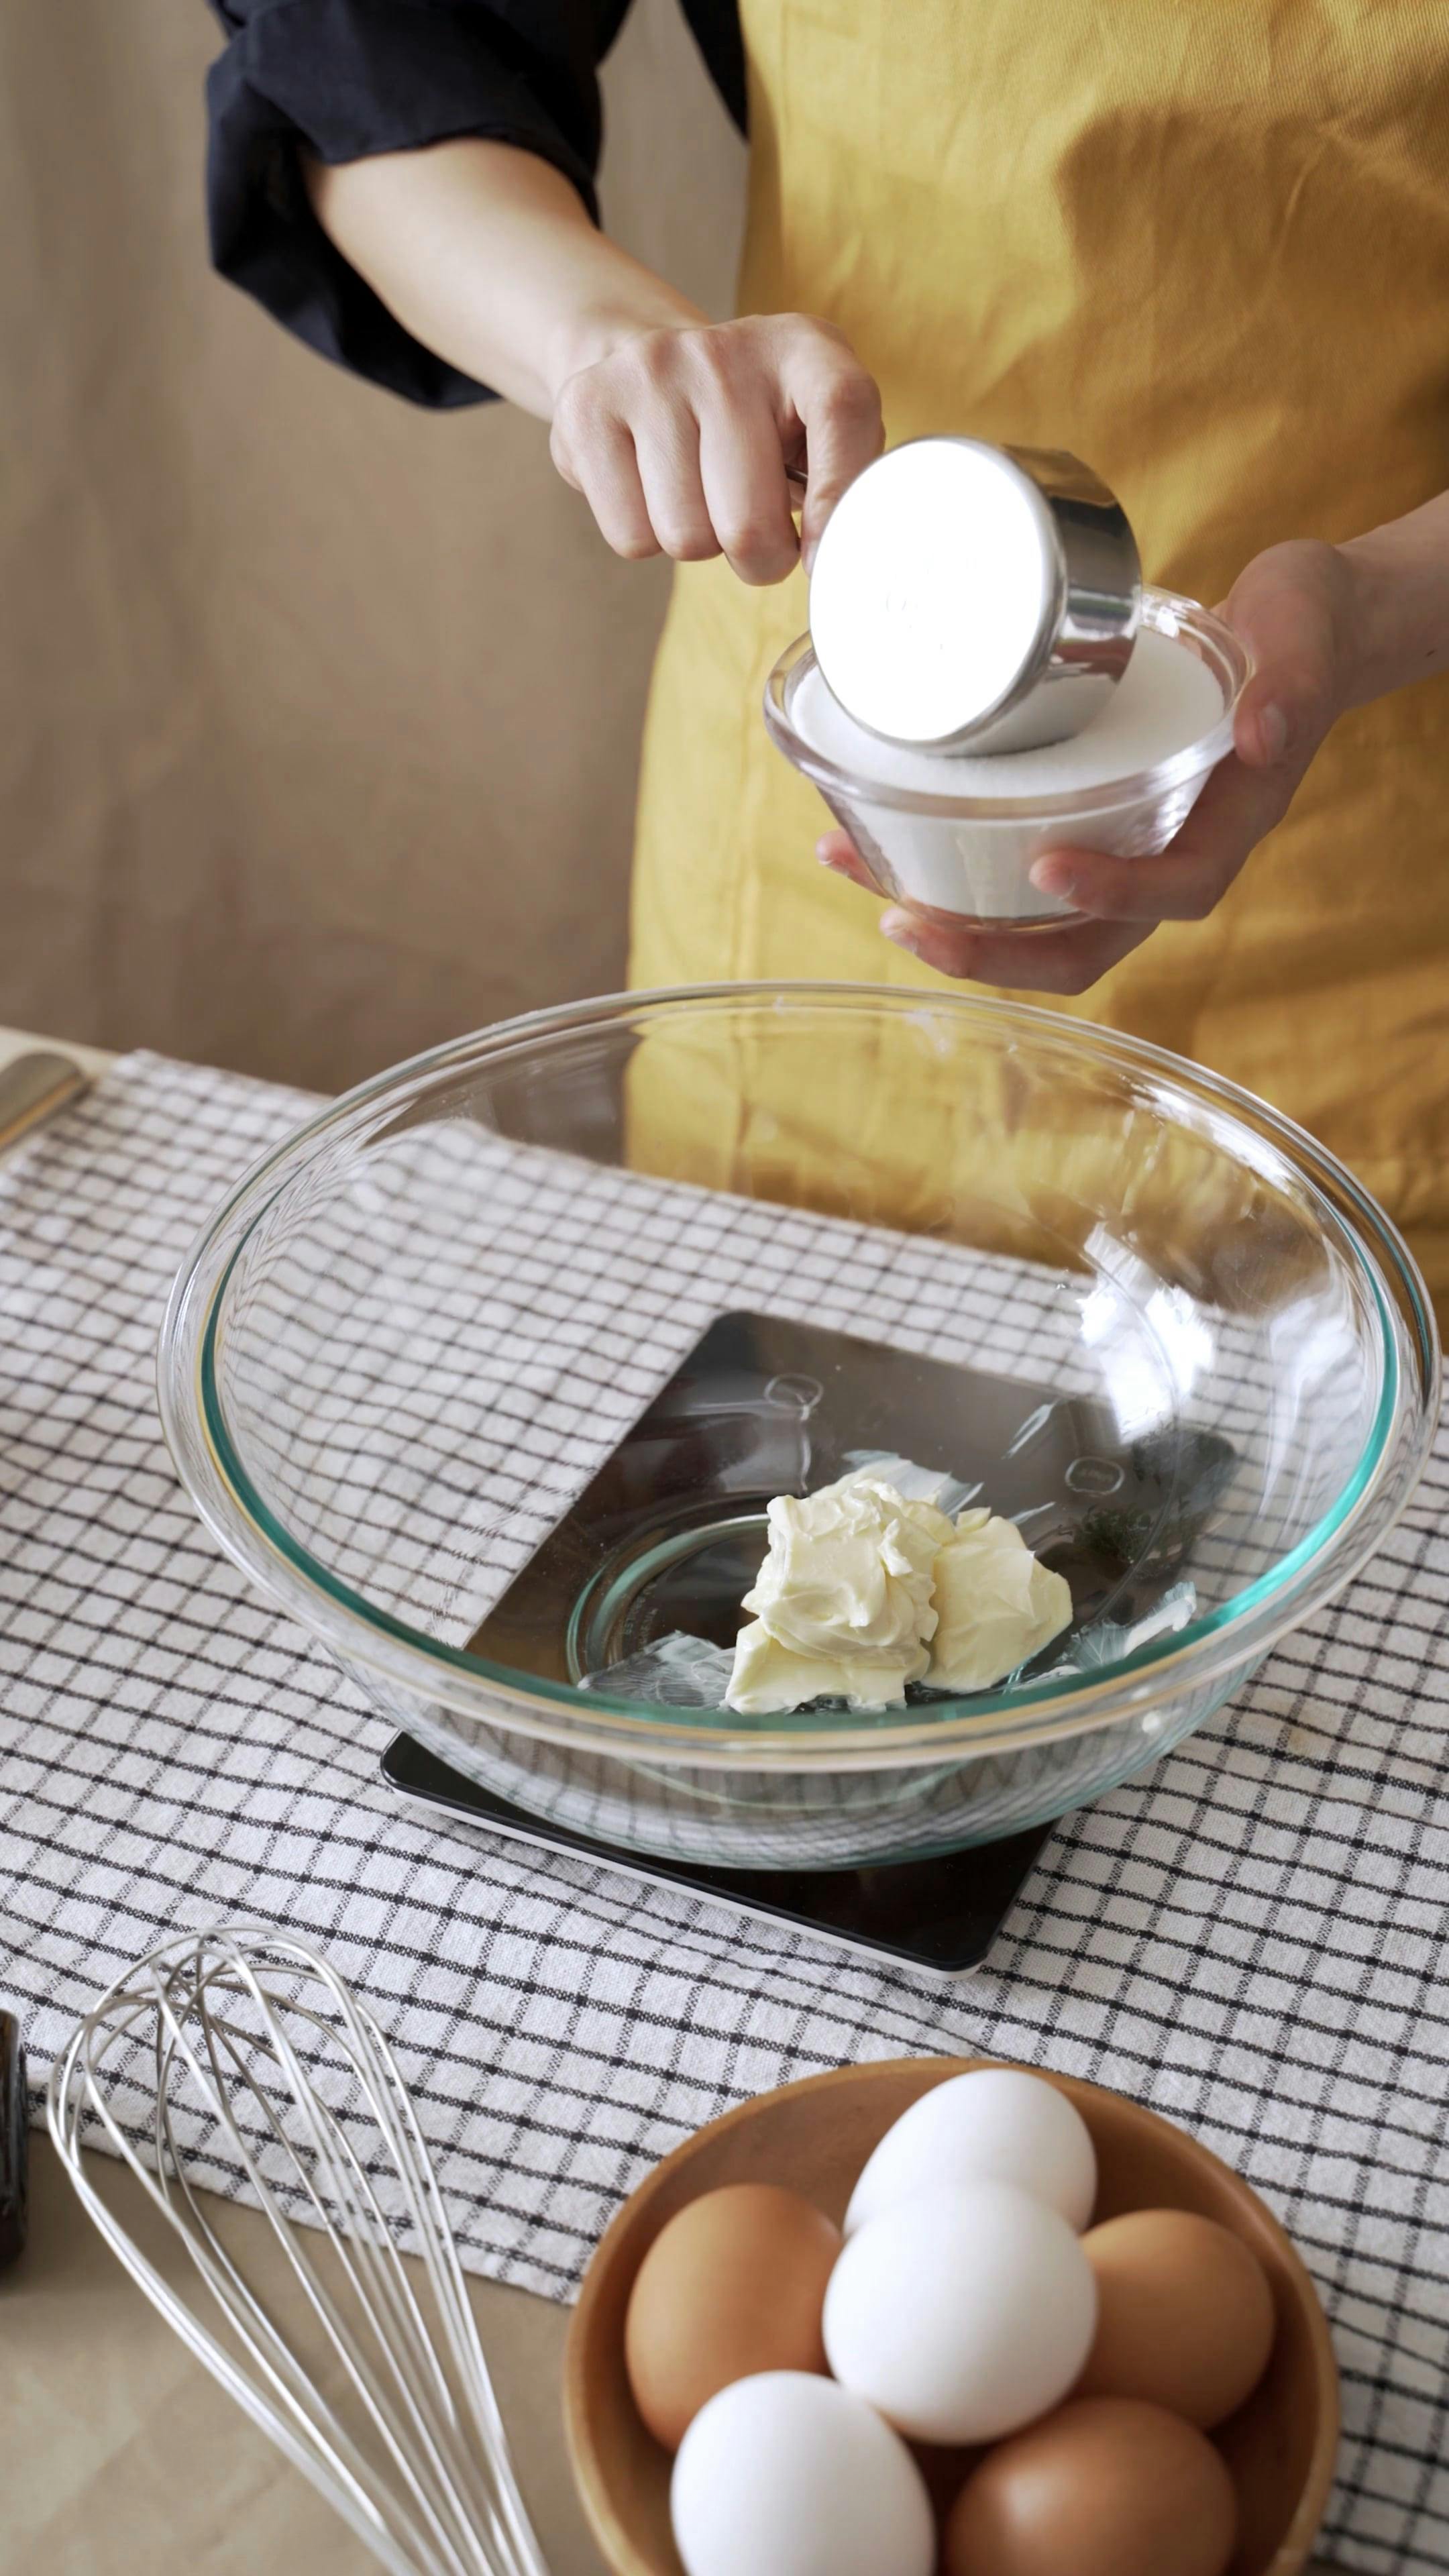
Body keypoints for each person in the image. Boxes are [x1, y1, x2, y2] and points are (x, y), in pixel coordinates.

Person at [205, 3, 1449, 1314]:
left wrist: (1377, 604)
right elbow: (375, 56)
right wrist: (610, 346)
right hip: (823, 826)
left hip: (1378, 898)